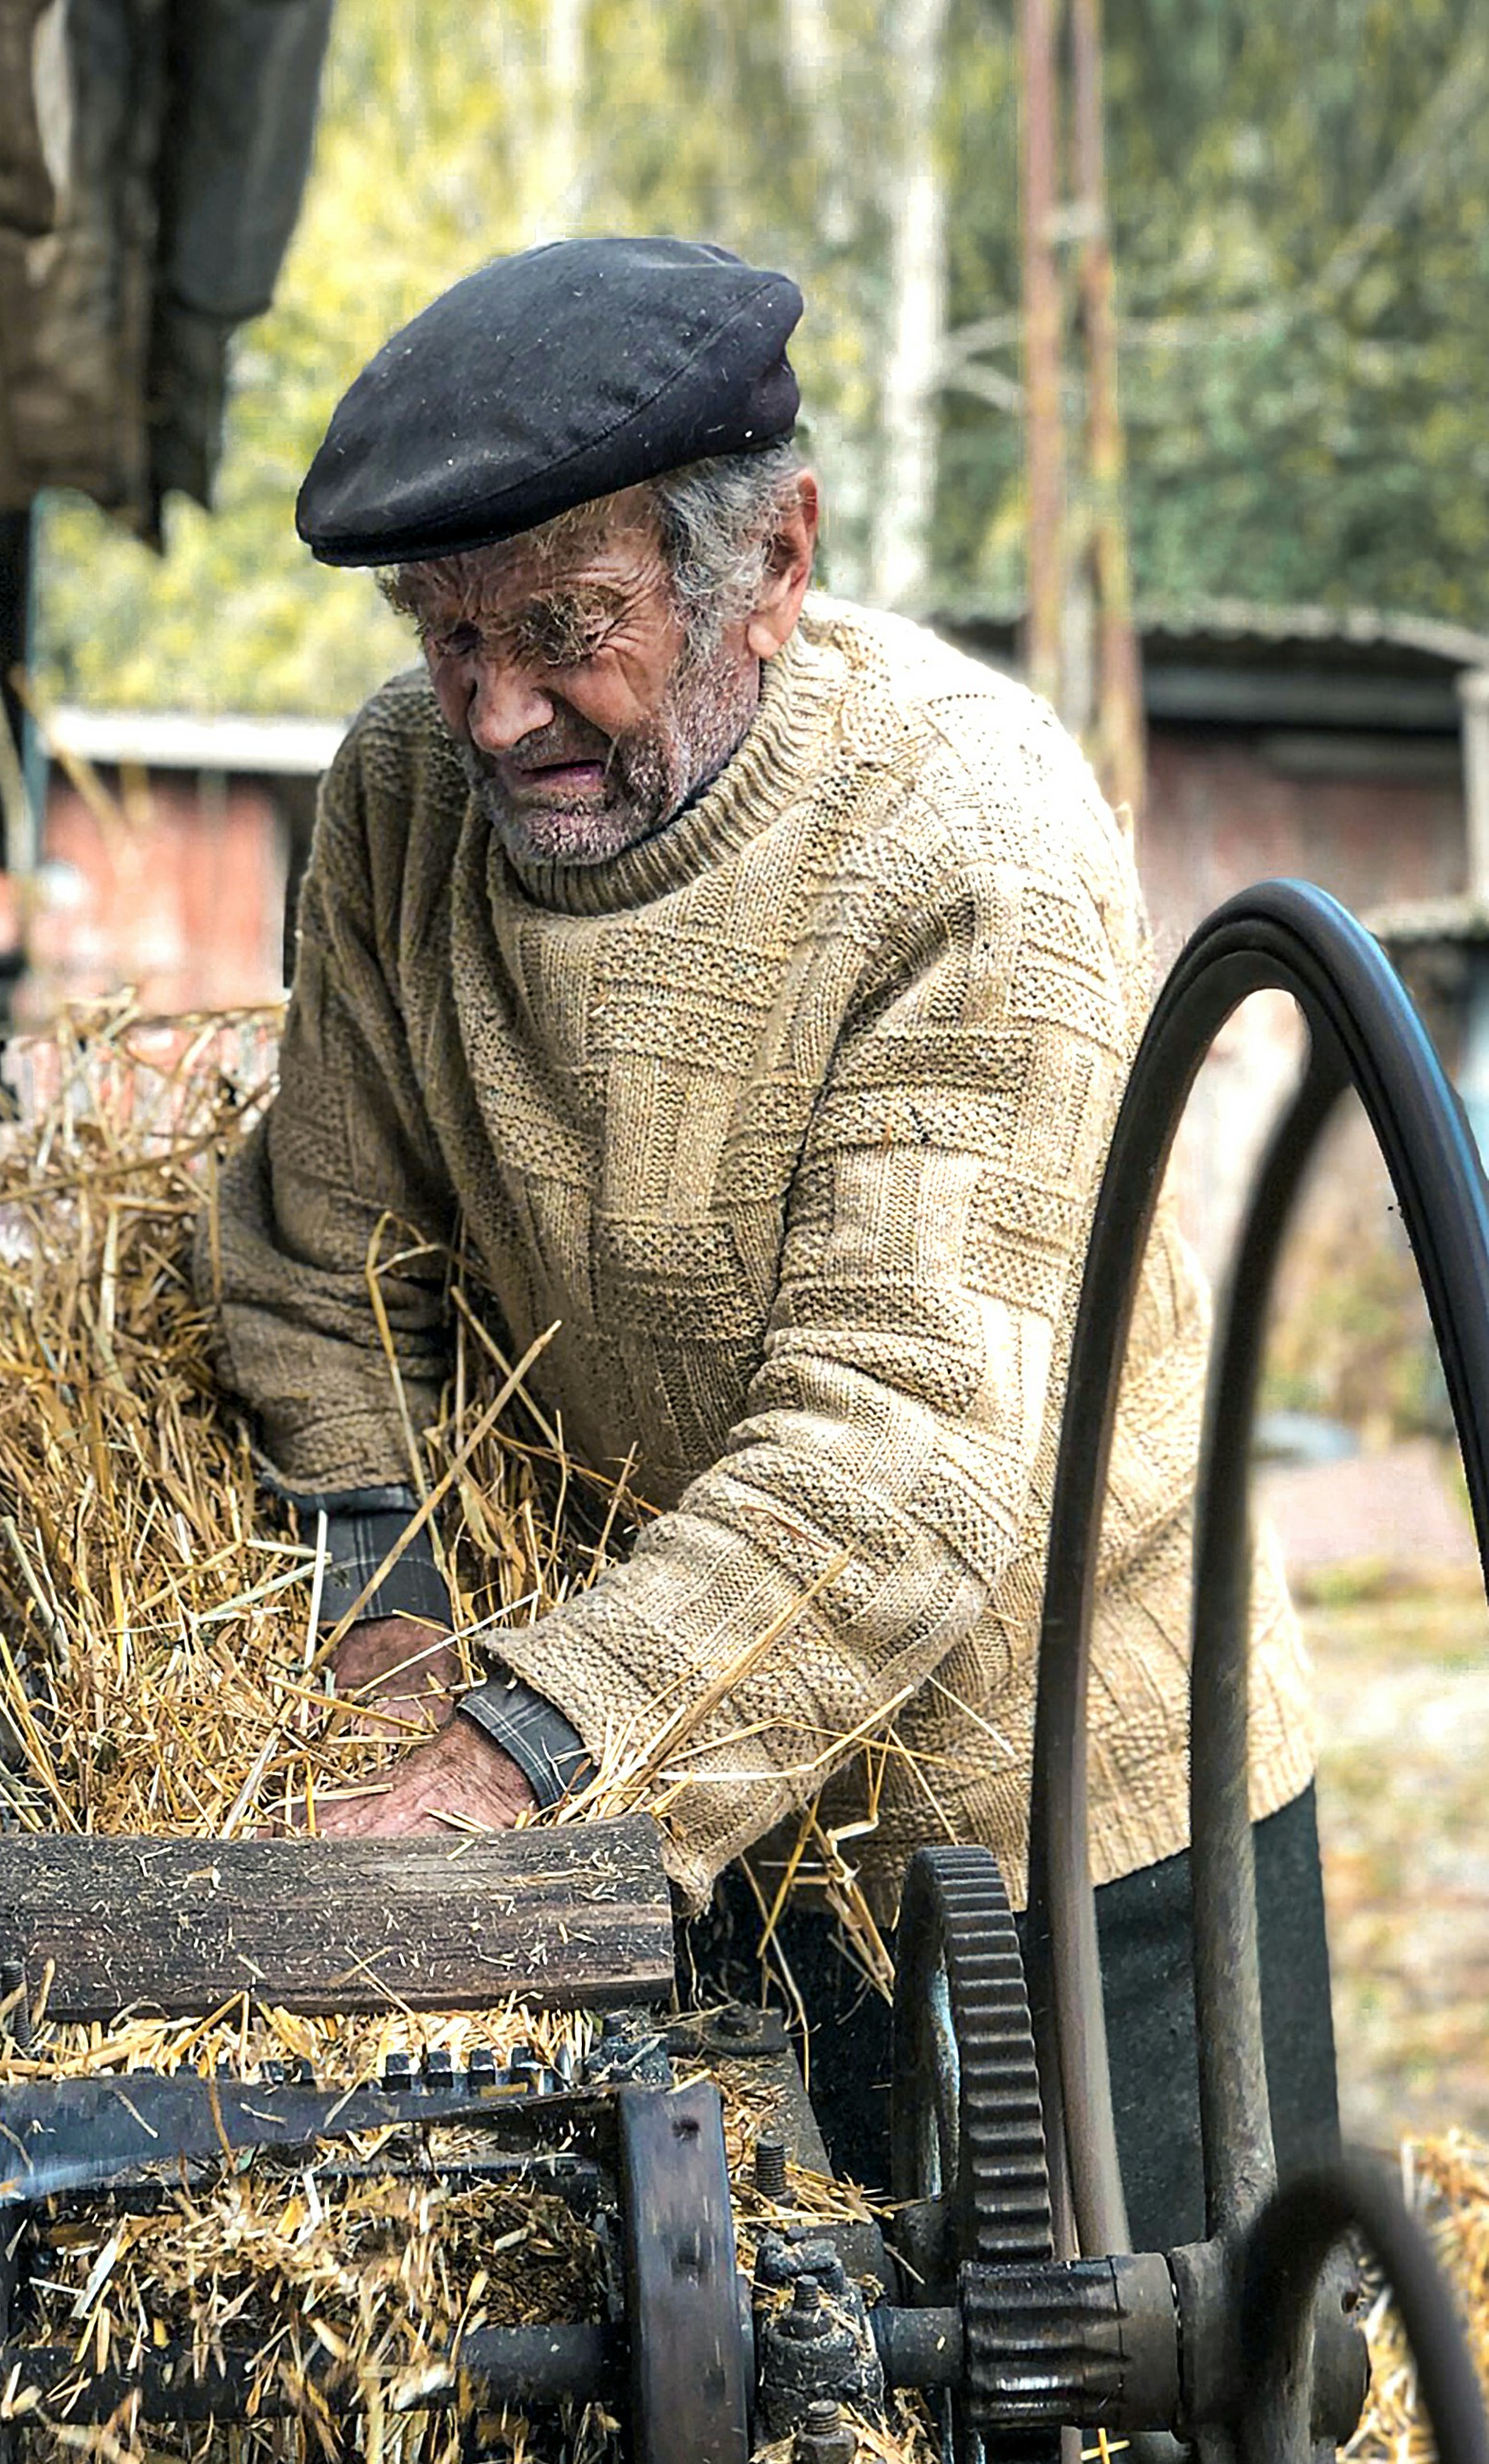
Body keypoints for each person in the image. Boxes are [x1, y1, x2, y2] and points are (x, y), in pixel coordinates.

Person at [206, 235, 1336, 2294]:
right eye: (441, 635)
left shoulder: (961, 845)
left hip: (1066, 1821)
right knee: (729, 2455)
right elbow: (320, 1269)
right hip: (659, 1773)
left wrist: (511, 1767)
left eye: (563, 628)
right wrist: (383, 1640)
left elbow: (898, 1454)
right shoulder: (393, 796)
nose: (491, 712)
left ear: (773, 558)